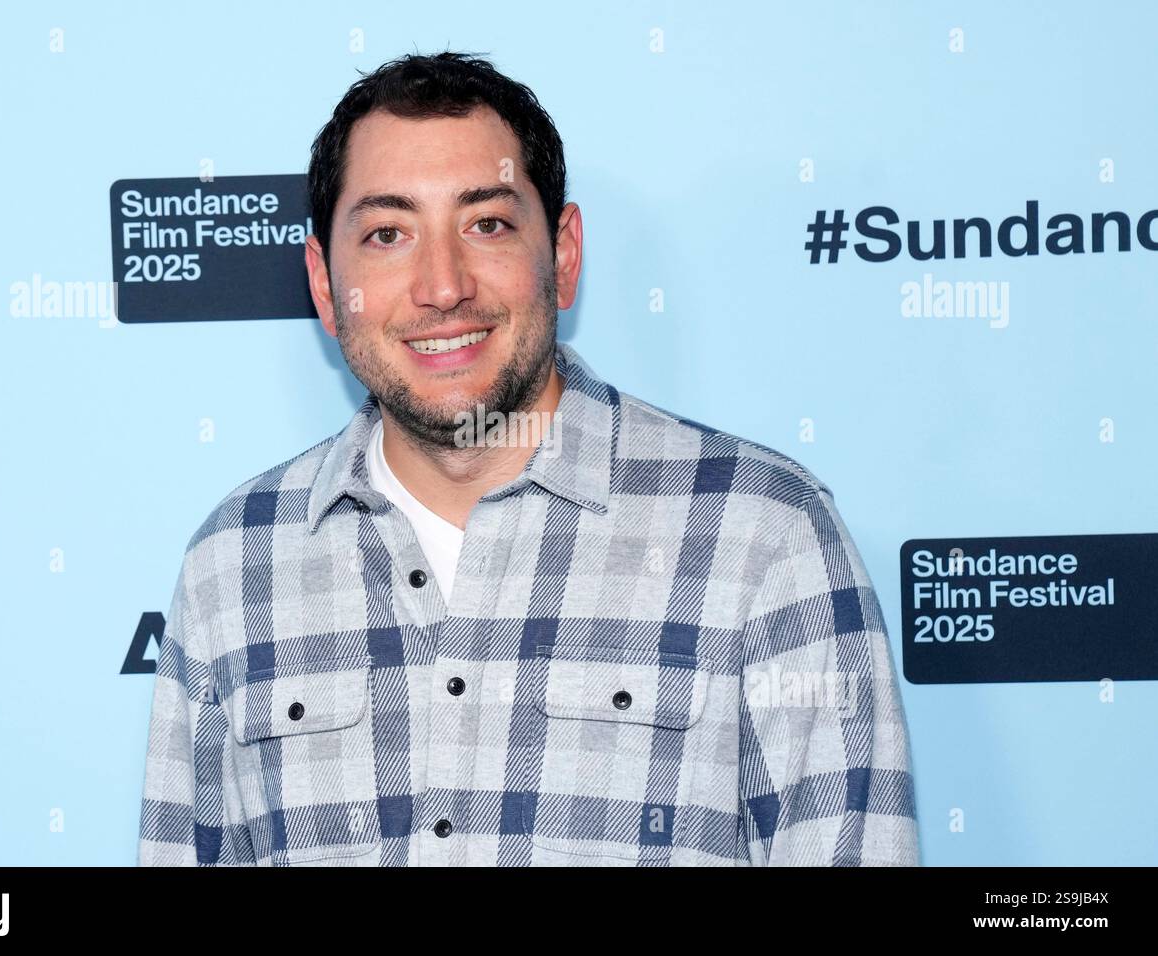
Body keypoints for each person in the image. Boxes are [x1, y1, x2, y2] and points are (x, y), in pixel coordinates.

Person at [137, 50, 919, 866]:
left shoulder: (765, 537)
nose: (443, 286)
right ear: (326, 287)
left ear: (566, 254)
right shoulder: (233, 564)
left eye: (487, 223)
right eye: (387, 234)